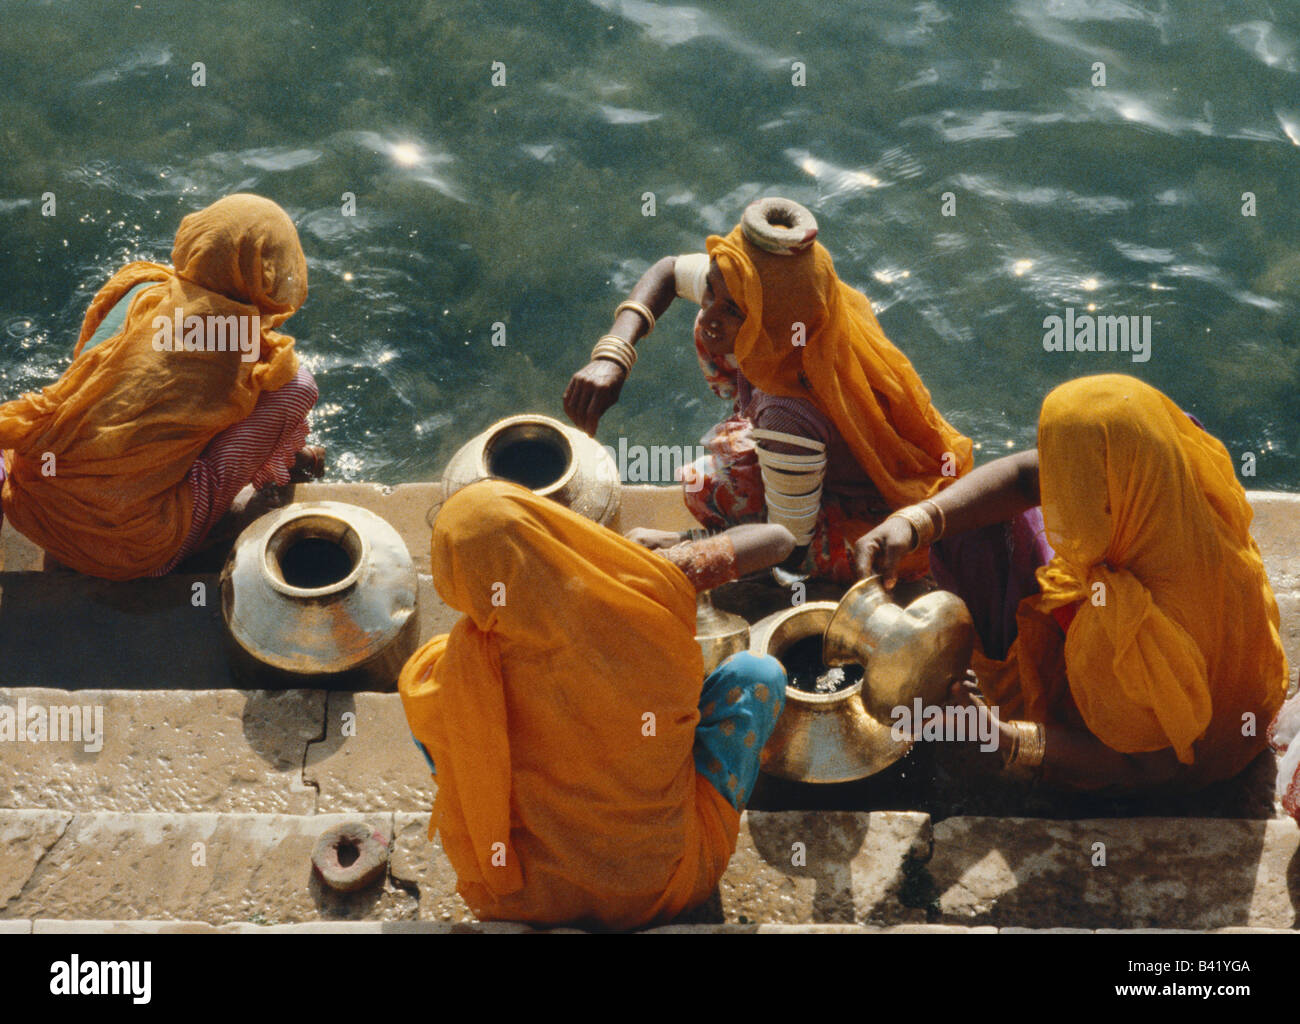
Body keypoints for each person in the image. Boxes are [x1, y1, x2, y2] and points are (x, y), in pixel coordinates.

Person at [855, 374, 1289, 792]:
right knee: (968, 520)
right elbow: (1027, 476)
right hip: (1213, 694)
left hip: (1162, 761)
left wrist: (1001, 734)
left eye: (1072, 484)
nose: (1055, 485)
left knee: (977, 544)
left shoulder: (1137, 625)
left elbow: (1148, 766)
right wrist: (915, 522)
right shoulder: (1175, 471)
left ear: (1102, 500)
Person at [398, 478, 793, 929]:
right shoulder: (642, 579)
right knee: (759, 675)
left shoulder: (453, 671)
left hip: (522, 898)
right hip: (666, 887)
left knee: (433, 704)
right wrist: (673, 546)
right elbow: (779, 540)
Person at [563, 197, 976, 584]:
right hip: (837, 450)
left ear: (773, 322)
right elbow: (670, 270)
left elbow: (789, 548)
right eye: (711, 289)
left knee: (711, 488)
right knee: (714, 329)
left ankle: (796, 483)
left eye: (733, 311)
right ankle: (793, 472)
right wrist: (614, 355)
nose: (708, 313)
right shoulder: (809, 303)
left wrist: (684, 546)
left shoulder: (786, 417)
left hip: (870, 516)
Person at [0, 193, 322, 579]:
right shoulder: (244, 340)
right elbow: (268, 387)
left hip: (33, 506)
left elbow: (90, 368)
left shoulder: (138, 285)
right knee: (296, 388)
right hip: (130, 550)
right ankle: (243, 505)